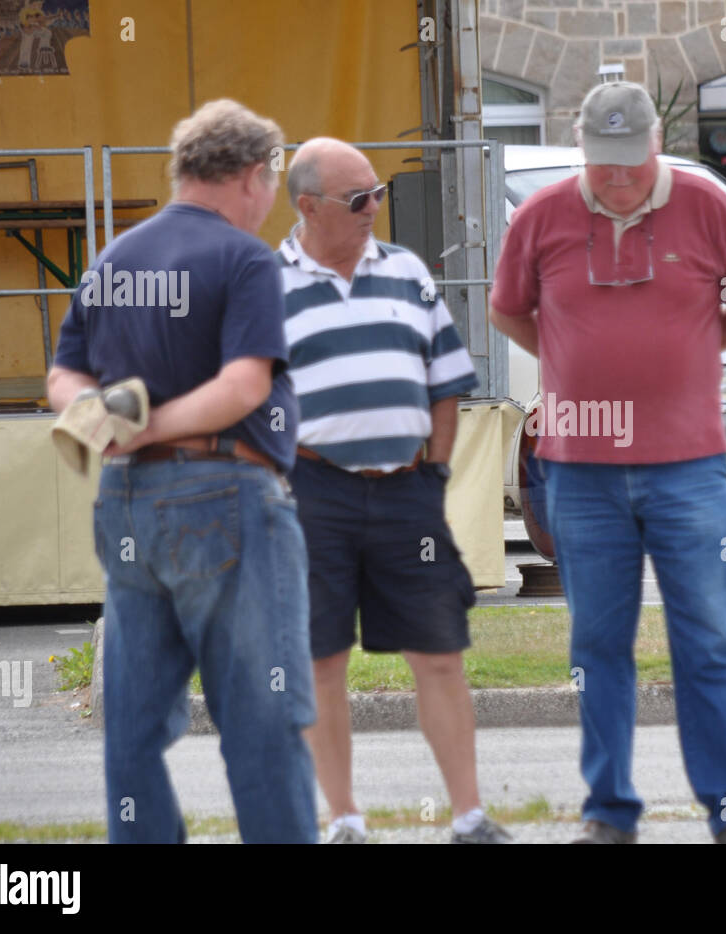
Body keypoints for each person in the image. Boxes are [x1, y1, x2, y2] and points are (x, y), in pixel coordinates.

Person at [490, 82, 726, 844]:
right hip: (580, 472)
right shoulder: (543, 215)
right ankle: (608, 811)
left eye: (631, 161)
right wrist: (570, 361)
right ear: (581, 144)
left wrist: (686, 359)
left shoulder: (709, 207)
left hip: (686, 466)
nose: (617, 177)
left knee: (710, 638)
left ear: (656, 143)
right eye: (602, 162)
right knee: (596, 644)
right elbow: (506, 307)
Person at [47, 99, 319, 843]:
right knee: (263, 721)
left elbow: (63, 377)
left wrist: (108, 428)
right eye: (274, 184)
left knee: (132, 728)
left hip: (127, 503)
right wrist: (160, 425)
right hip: (225, 495)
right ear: (253, 175)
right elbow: (244, 387)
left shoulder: (113, 258)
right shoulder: (244, 258)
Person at [279, 137, 509, 844]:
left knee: (440, 650)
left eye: (376, 192)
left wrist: (435, 473)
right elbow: (248, 393)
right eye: (359, 199)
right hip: (316, 491)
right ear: (308, 206)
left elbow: (446, 382)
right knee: (322, 659)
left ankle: (469, 816)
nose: (375, 207)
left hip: (409, 489)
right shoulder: (266, 285)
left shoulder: (408, 272)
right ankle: (345, 820)